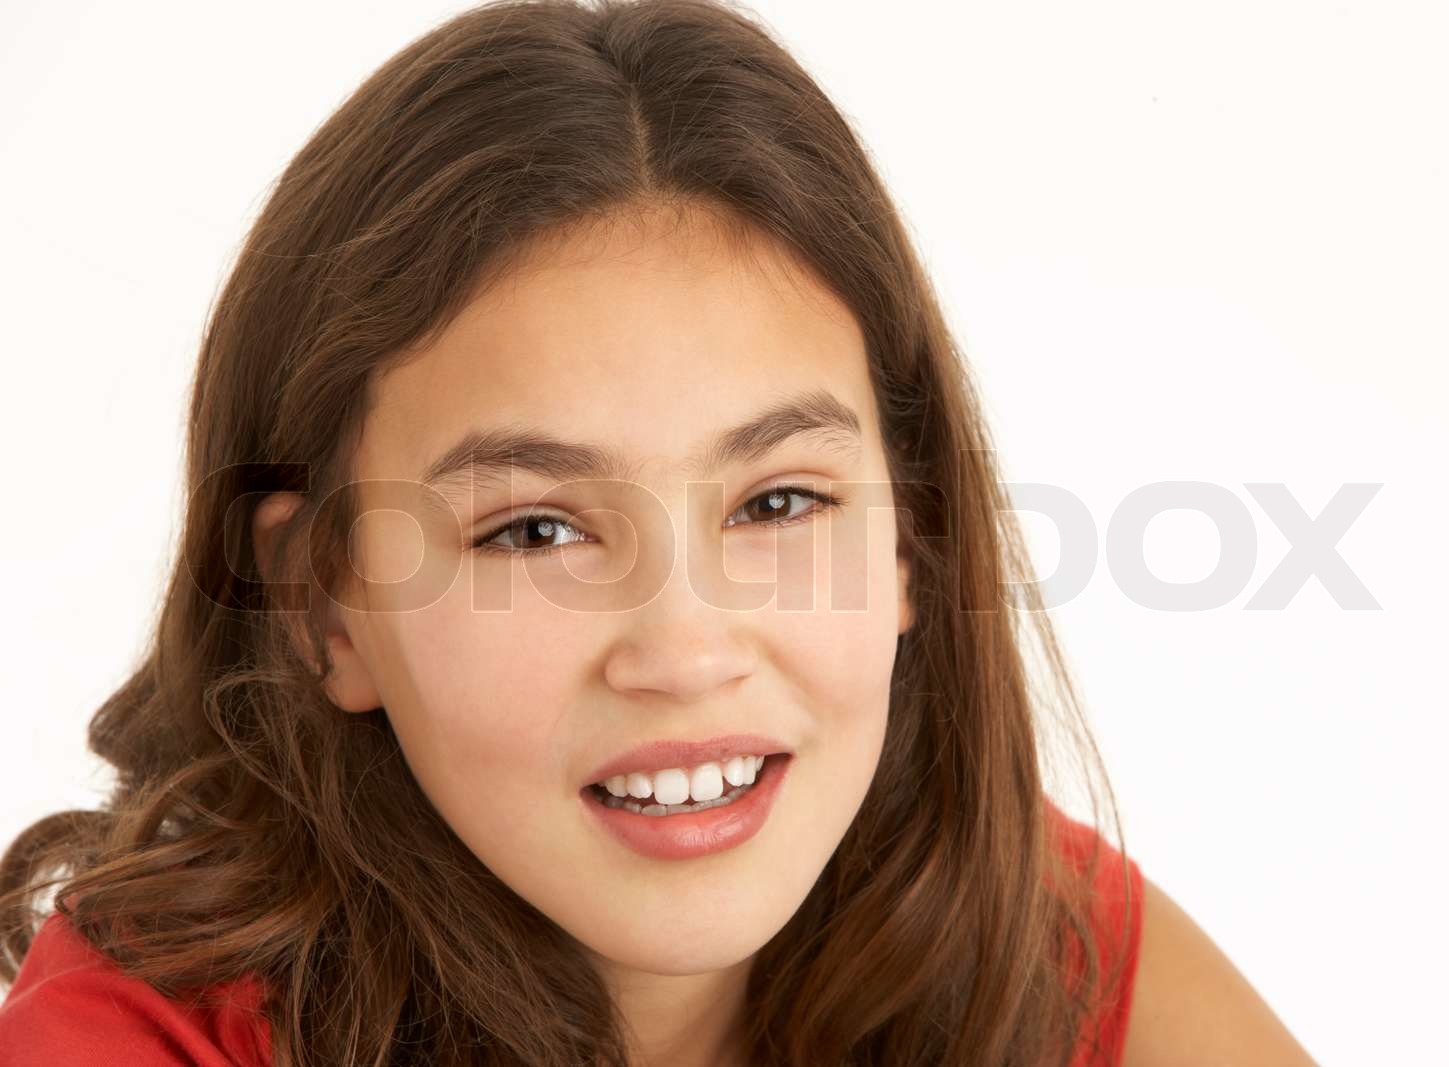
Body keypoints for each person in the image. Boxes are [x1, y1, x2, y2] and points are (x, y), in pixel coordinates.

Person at [0, 1, 1315, 1063]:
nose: (686, 653)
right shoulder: (128, 1041)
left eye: (778, 503)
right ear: (322, 609)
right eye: (533, 531)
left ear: (910, 539)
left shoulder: (1020, 934)